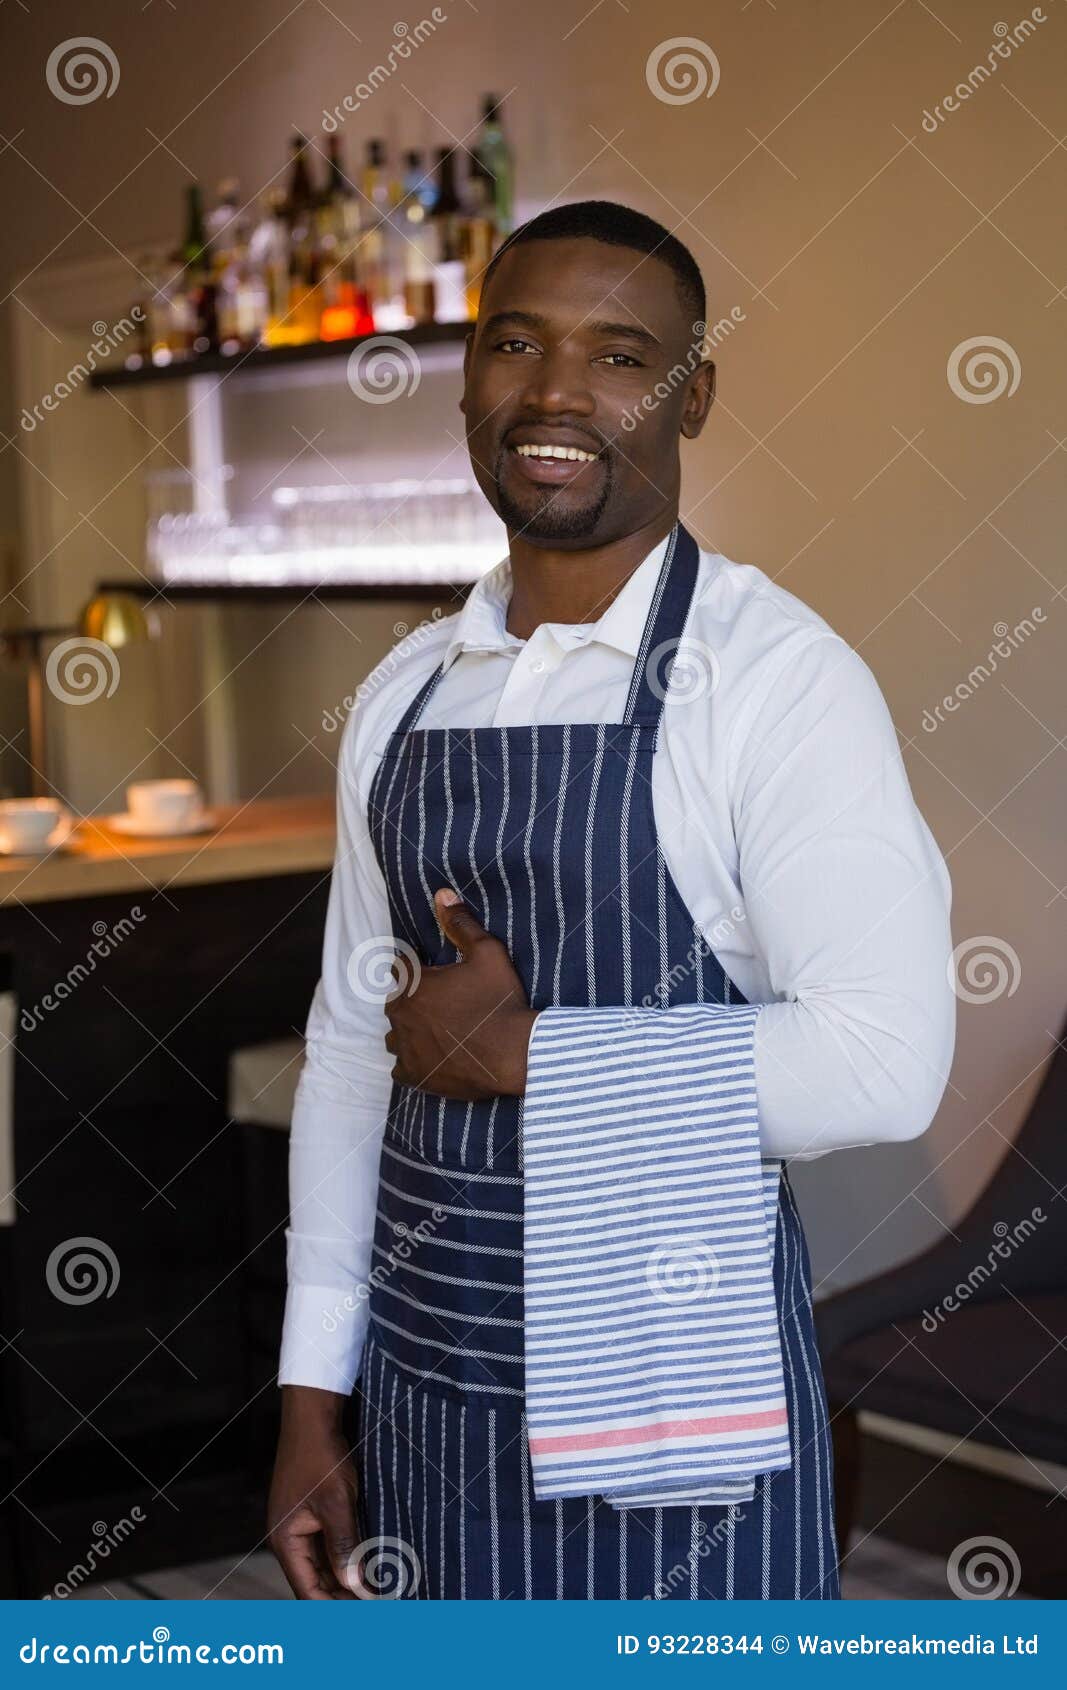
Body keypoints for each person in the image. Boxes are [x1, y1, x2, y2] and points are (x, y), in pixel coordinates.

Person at [267, 200, 955, 1600]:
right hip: (430, 1386)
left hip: (679, 1420)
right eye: (515, 343)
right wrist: (308, 1395)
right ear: (465, 375)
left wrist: (522, 1053)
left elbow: (885, 1068)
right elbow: (352, 1051)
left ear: (693, 394)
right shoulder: (400, 697)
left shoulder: (776, 682)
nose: (557, 393)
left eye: (622, 356)